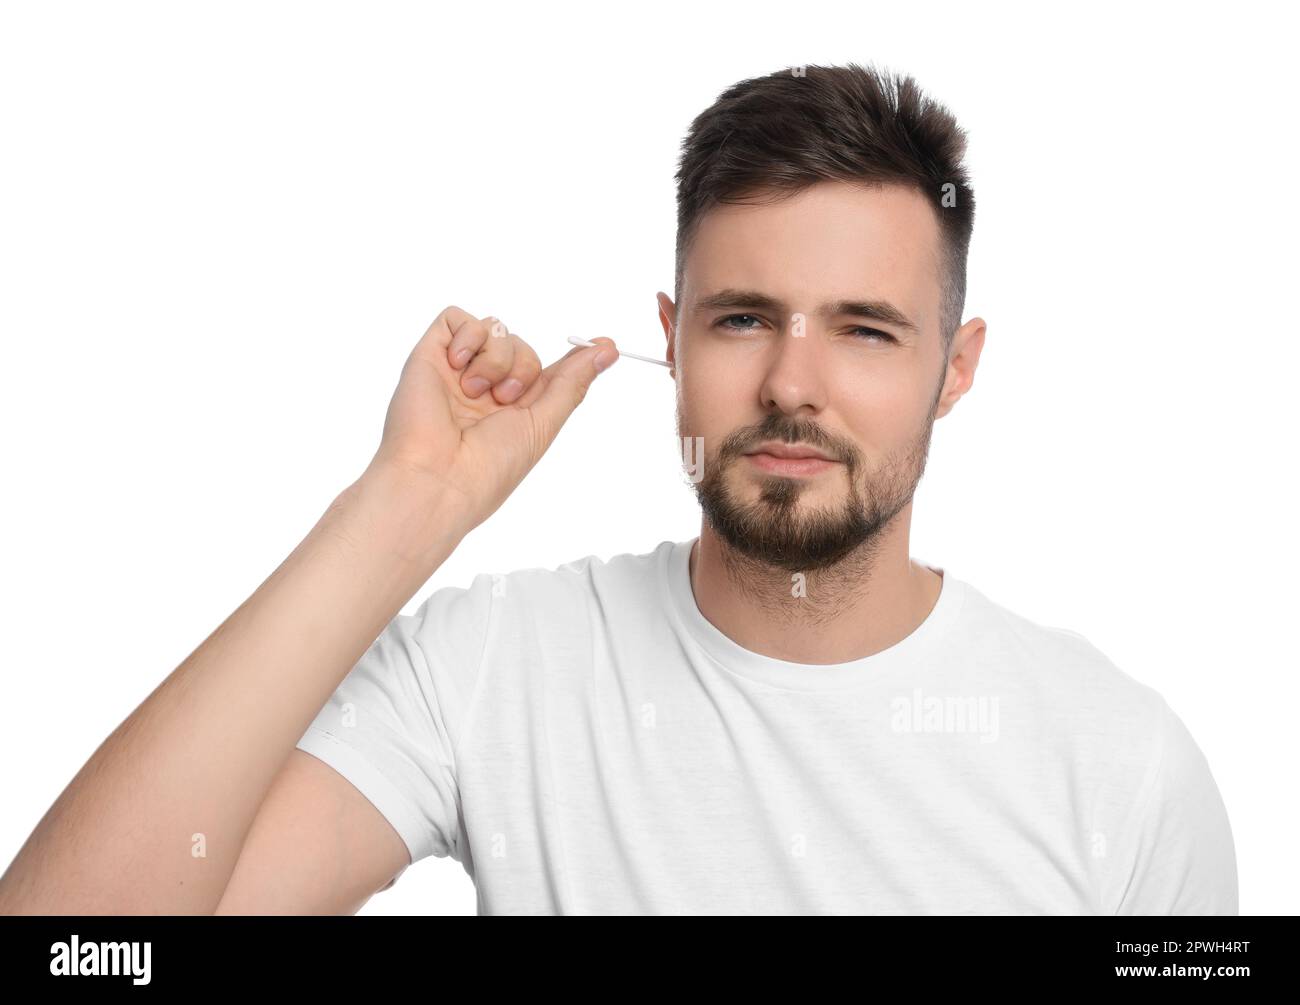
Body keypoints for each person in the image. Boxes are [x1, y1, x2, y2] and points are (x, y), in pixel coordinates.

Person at [0, 62, 1236, 916]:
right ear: (673, 337)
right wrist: (407, 505)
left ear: (955, 370)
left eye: (864, 330)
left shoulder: (1123, 766)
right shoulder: (498, 667)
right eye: (744, 317)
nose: (792, 384)